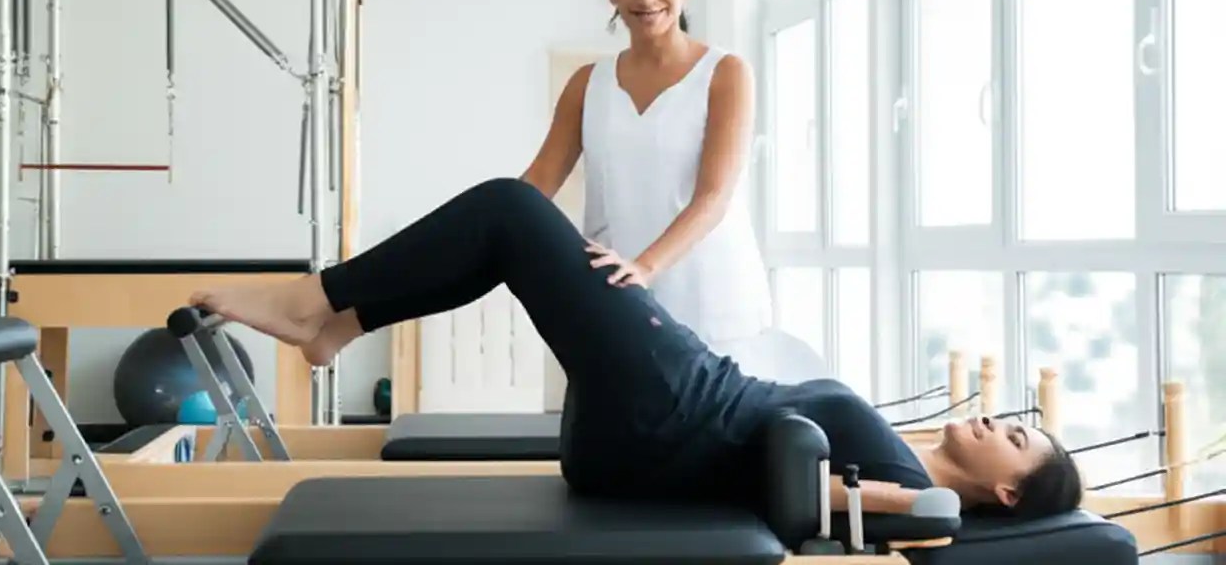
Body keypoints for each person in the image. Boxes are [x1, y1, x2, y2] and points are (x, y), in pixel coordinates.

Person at [189, 177, 1082, 519]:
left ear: (1008, 488)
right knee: (509, 236)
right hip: (668, 406)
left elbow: (827, 499)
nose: (996, 418)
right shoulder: (907, 454)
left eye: (1013, 435)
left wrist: (891, 499)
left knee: (509, 209)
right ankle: (338, 324)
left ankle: (318, 307)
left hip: (673, 410)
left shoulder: (929, 500)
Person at [520, 0, 790, 375]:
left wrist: (643, 267)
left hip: (711, 298)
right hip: (623, 303)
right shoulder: (588, 84)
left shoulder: (725, 74)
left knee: (720, 437)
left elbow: (714, 196)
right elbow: (536, 185)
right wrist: (487, 228)